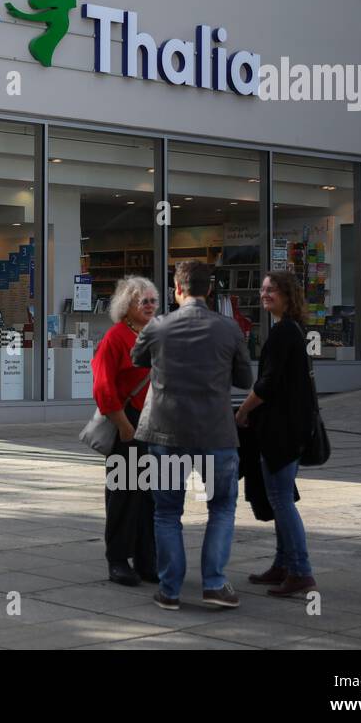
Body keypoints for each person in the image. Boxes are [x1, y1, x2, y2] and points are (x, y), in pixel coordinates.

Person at [131, 260, 253, 611]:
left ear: (177, 289)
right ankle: (214, 583)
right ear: (209, 290)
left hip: (167, 433)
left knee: (167, 513)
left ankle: (169, 590)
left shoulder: (158, 326)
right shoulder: (229, 329)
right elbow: (245, 380)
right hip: (215, 432)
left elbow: (137, 357)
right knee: (221, 508)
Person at [234, 270, 318, 598]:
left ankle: (301, 571)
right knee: (281, 496)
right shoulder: (292, 330)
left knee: (282, 499)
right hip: (291, 428)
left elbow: (267, 385)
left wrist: (243, 410)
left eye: (272, 289)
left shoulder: (284, 332)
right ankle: (284, 564)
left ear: (287, 294)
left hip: (283, 431)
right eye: (263, 288)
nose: (264, 294)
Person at [92, 277, 159, 586]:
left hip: (154, 423)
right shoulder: (116, 338)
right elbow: (103, 387)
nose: (149, 305)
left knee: (149, 496)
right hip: (127, 422)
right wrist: (124, 426)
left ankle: (147, 560)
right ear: (126, 306)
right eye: (142, 301)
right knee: (123, 494)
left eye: (152, 300)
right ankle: (118, 559)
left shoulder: (155, 335)